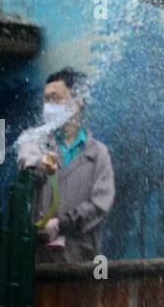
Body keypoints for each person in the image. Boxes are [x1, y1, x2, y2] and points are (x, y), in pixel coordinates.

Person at [17, 68, 115, 264]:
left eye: (55, 98)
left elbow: (100, 204)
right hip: (39, 258)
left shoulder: (98, 153)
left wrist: (61, 224)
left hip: (82, 259)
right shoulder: (34, 140)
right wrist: (40, 164)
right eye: (45, 100)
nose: (48, 107)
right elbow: (26, 161)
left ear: (78, 102)